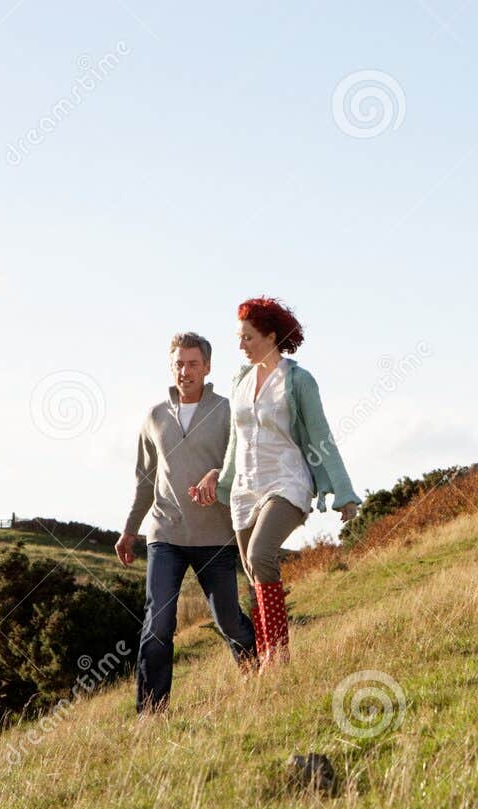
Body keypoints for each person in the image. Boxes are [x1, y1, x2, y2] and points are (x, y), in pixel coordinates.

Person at [190, 297, 359, 670]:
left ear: (270, 336)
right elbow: (236, 440)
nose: (241, 345)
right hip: (245, 487)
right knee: (253, 573)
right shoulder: (240, 380)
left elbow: (321, 436)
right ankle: (268, 655)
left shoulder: (297, 381)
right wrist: (221, 475)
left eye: (248, 338)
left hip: (287, 481)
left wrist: (343, 492)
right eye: (240, 338)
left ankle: (278, 655)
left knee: (260, 556)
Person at [119, 332, 259, 712]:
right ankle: (151, 712)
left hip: (216, 534)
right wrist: (131, 529)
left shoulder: (228, 412)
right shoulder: (154, 417)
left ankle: (259, 677)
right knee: (158, 624)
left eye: (193, 363)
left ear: (208, 367)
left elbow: (245, 463)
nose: (186, 371)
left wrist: (216, 473)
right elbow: (145, 479)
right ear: (171, 367)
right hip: (166, 534)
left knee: (228, 620)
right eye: (179, 364)